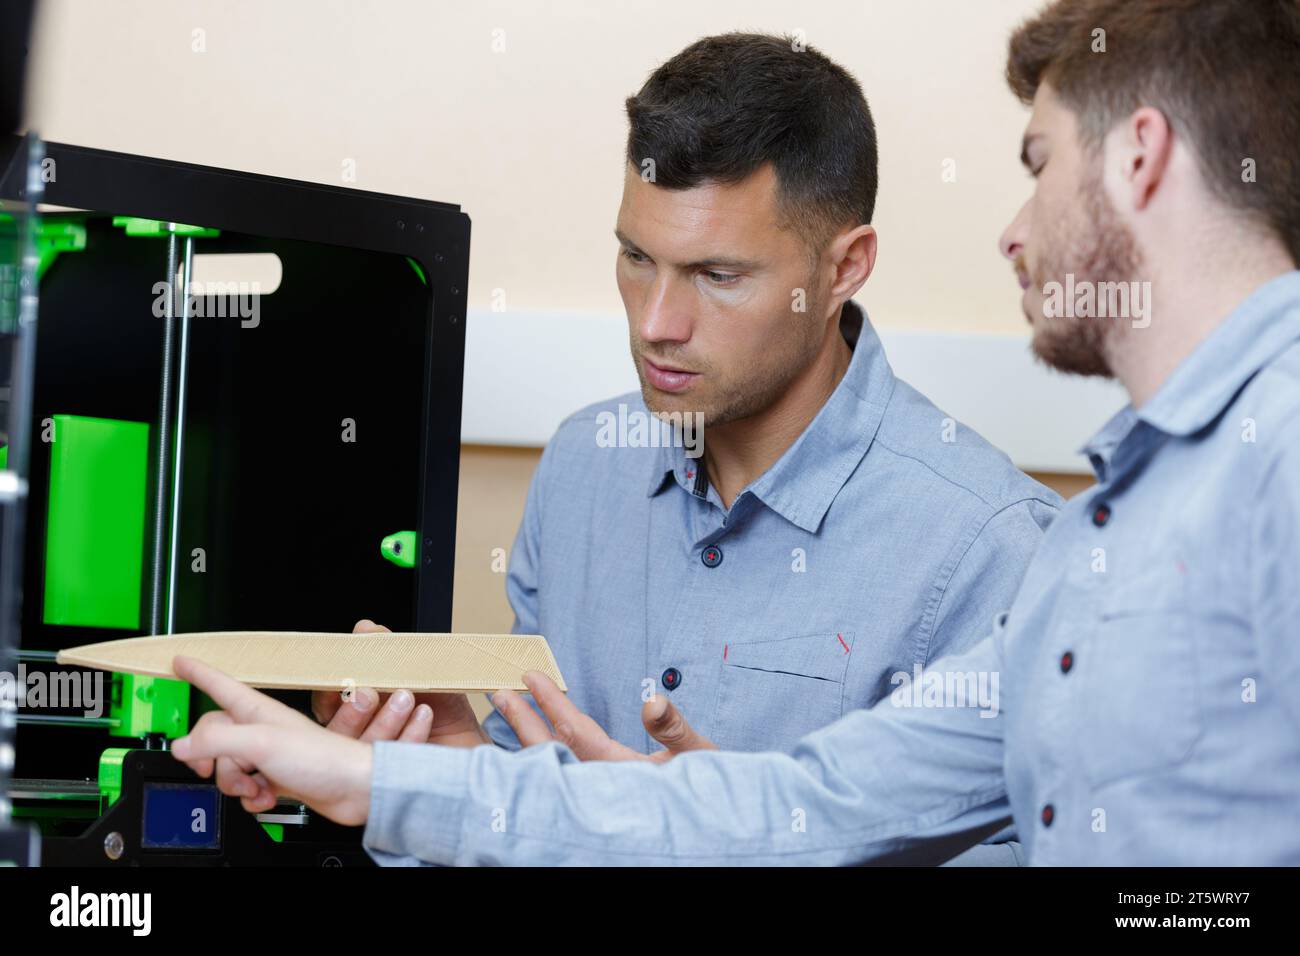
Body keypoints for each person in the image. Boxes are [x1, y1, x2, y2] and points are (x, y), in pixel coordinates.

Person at [174, 0, 1300, 864]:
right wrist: (416, 771)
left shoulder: (1076, 523)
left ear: (1140, 153)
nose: (1010, 233)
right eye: (635, 258)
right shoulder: (1122, 525)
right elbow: (800, 805)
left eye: (1037, 164)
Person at [309, 32, 1057, 865]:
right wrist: (464, 774)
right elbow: (539, 816)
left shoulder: (994, 546)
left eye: (718, 275)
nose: (655, 324)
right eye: (636, 257)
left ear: (845, 267)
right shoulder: (582, 467)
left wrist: (726, 839)